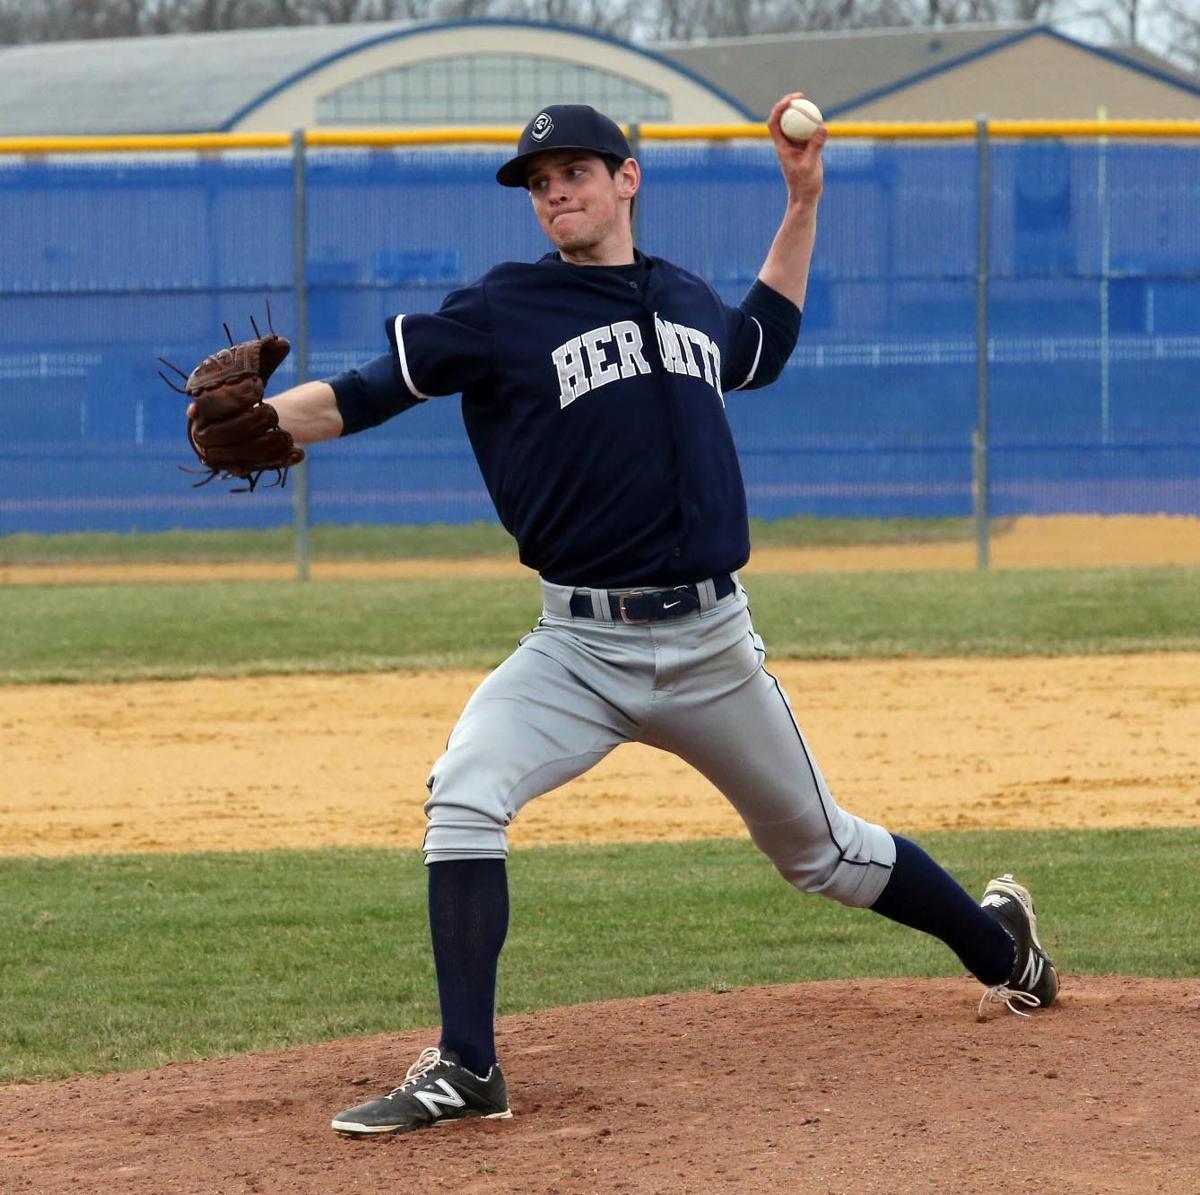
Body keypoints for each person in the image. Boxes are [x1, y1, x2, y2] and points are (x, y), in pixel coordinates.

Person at [256, 99, 1059, 1137]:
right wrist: (267, 422)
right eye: (539, 183)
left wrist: (803, 201)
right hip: (576, 647)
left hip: (712, 646)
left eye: (574, 173)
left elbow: (762, 343)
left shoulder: (680, 295)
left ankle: (1006, 949)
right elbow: (369, 392)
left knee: (824, 854)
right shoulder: (504, 308)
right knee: (464, 791)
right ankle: (468, 1066)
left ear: (626, 179)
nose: (556, 193)